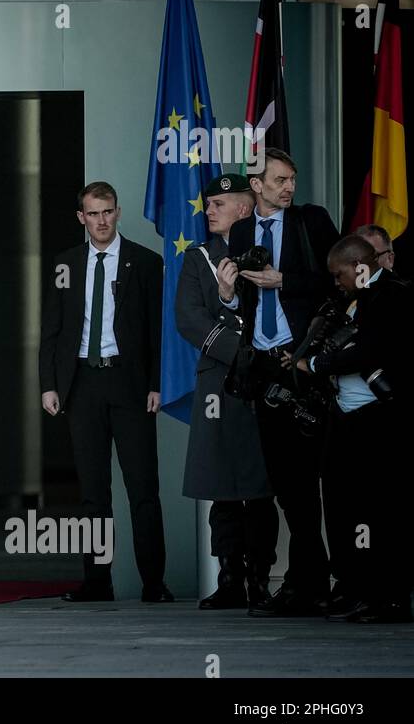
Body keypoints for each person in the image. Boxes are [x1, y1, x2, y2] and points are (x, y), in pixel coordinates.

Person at [39, 181, 171, 603]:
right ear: (82, 217)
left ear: (118, 212)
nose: (101, 220)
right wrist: (49, 385)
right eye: (93, 213)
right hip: (81, 385)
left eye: (108, 211)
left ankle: (154, 583)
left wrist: (157, 384)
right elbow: (51, 332)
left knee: (143, 489)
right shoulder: (65, 264)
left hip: (129, 384)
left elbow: (158, 333)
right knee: (93, 493)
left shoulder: (146, 262)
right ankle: (97, 582)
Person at [224, 148, 340, 617]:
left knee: (320, 478)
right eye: (278, 180)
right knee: (287, 483)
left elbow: (339, 283)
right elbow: (240, 310)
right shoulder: (241, 232)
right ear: (256, 185)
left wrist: (282, 281)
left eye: (291, 179)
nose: (288, 187)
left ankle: (321, 580)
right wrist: (230, 295)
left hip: (307, 364)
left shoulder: (312, 221)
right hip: (267, 368)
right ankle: (305, 580)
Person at [292, 236, 412, 623]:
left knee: (383, 510)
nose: (335, 281)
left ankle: (388, 597)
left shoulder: (392, 295)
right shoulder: (345, 301)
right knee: (343, 506)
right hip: (342, 418)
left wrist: (319, 364)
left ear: (359, 266)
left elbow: (369, 350)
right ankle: (356, 587)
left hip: (380, 420)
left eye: (338, 273)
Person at [174, 174, 276, 610]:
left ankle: (259, 580)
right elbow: (189, 319)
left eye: (218, 203)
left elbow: (275, 312)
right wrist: (245, 351)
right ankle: (231, 578)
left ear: (244, 207)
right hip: (221, 380)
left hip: (263, 382)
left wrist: (261, 360)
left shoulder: (264, 253)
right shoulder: (200, 258)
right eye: (208, 203)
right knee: (223, 486)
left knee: (260, 485)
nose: (209, 210)